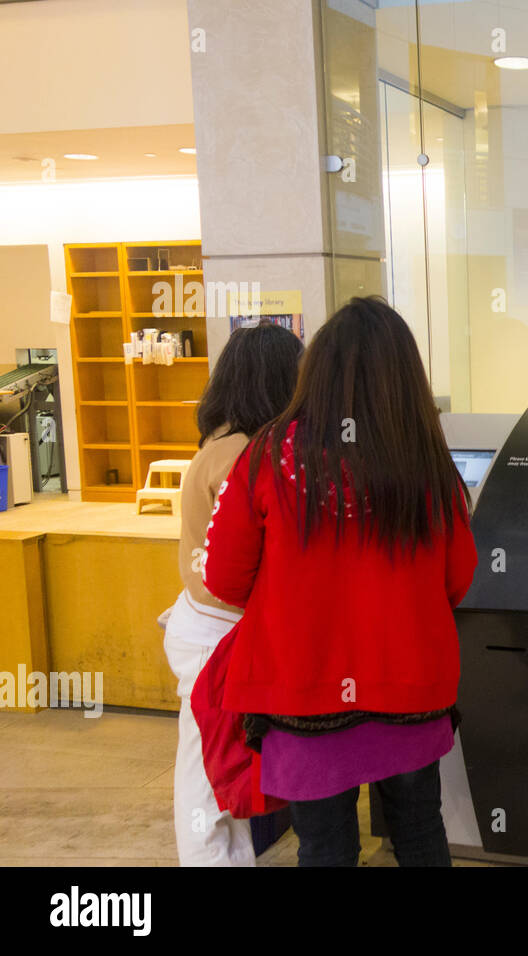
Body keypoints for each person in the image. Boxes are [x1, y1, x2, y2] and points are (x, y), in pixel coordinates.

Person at [201, 296, 477, 867]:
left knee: (325, 846)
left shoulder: (268, 458)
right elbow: (459, 580)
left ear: (317, 370)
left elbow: (224, 579)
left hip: (304, 696)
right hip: (411, 688)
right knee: (421, 830)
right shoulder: (430, 466)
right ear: (406, 377)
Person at [162, 322, 303, 866]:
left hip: (211, 629)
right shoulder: (243, 456)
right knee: (204, 789)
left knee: (224, 783)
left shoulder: (224, 442)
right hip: (218, 640)